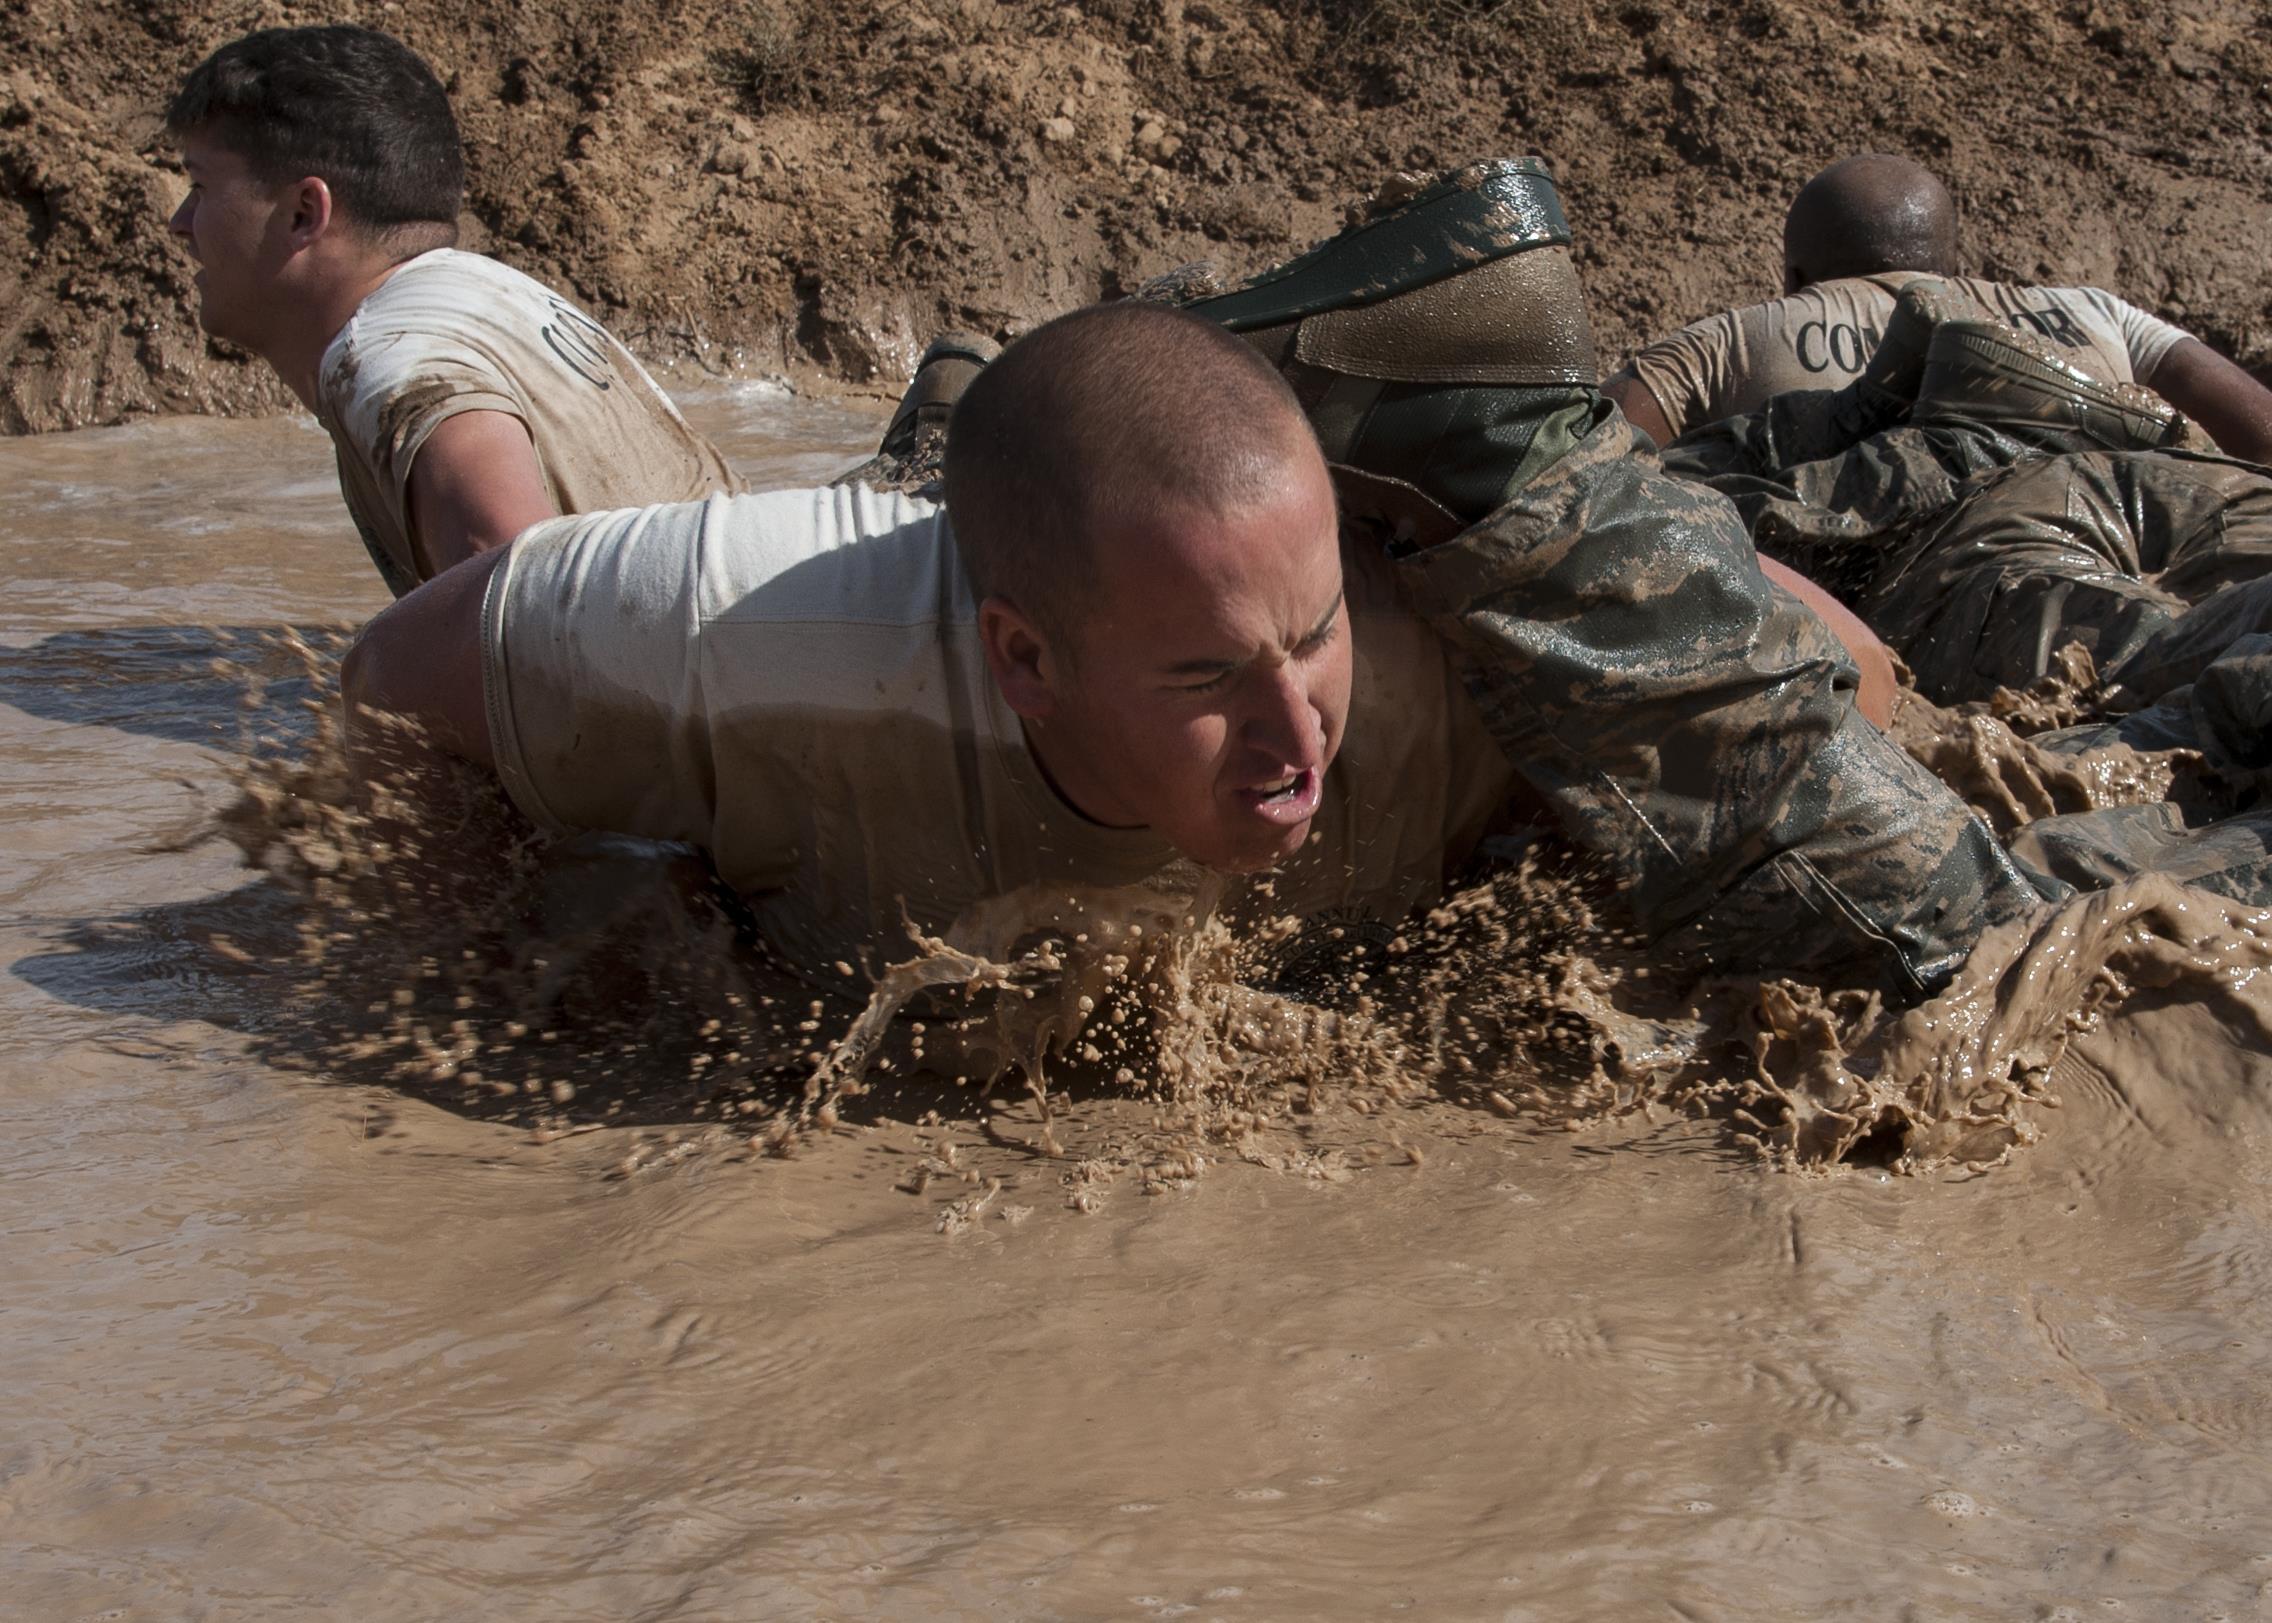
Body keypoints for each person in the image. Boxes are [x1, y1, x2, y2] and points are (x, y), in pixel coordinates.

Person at [344, 300, 2051, 1001]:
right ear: (1020, 660)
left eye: (1305, 648)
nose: (1295, 732)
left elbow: (1840, 683)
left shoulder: (1440, 658)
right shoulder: (734, 640)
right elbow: (391, 681)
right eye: (1207, 680)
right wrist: (513, 971)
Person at [164, 25, 738, 597]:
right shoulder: (487, 295)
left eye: (199, 187)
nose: (180, 223)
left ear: (303, 213)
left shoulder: (397, 363)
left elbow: (515, 588)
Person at [1604, 154, 2272, 462]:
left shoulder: (1729, 343)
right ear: (1951, 268)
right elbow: (2258, 426)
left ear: (1796, 276)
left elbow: (1569, 471)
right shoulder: (2098, 313)